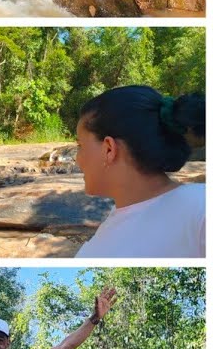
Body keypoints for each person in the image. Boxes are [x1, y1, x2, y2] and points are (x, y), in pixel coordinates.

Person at [74, 86, 205, 258]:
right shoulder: (118, 217)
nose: (77, 159)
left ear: (109, 149)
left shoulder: (202, 207)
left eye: (80, 146)